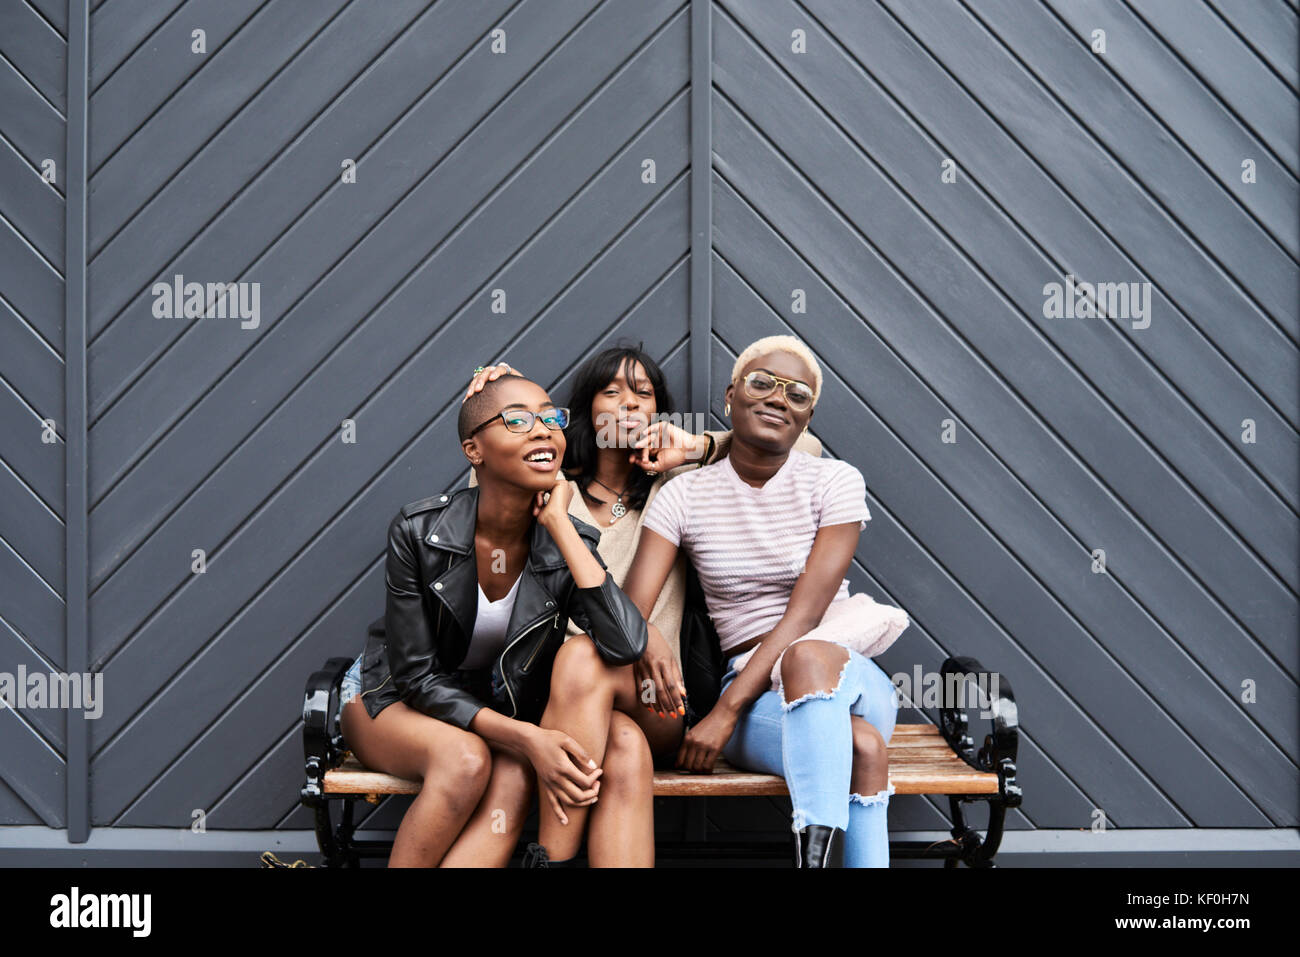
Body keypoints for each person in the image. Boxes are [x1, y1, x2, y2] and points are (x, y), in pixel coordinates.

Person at [461, 346, 824, 865]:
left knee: (586, 659)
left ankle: (549, 861)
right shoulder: (548, 489)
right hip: (550, 705)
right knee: (623, 745)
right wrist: (499, 391)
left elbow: (802, 446)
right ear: (586, 410)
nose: (629, 403)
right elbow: (486, 464)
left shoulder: (678, 487)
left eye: (643, 393)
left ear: (657, 412)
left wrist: (696, 446)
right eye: (612, 391)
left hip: (654, 698)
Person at [334, 373, 648, 866]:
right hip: (392, 695)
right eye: (519, 421)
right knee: (466, 761)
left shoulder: (565, 540)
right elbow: (416, 676)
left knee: (516, 776)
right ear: (473, 451)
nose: (543, 430)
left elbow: (625, 645)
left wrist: (563, 528)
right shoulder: (420, 532)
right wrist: (528, 737)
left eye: (551, 418)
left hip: (494, 708)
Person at [622, 334, 901, 867]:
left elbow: (806, 614)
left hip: (842, 674)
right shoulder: (684, 495)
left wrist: (723, 712)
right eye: (762, 383)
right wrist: (652, 639)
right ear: (730, 397)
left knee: (808, 653)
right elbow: (631, 608)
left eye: (797, 395)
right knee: (863, 747)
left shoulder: (835, 482)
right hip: (756, 695)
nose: (779, 398)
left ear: (807, 418)